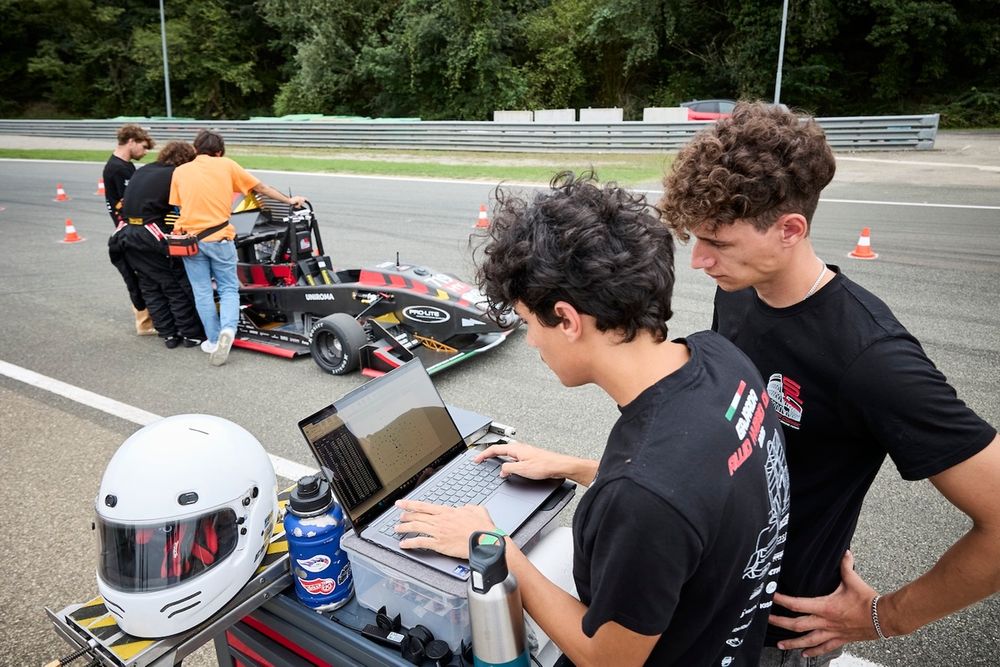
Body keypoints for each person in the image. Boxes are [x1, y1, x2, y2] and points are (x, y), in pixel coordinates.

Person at [394, 172, 790, 666]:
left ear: (567, 319)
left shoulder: (643, 495)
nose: (531, 341)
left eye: (528, 322)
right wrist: (577, 468)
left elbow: (607, 660)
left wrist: (495, 548)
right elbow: (704, 488)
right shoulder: (722, 358)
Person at [658, 101, 1000, 666]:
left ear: (790, 230)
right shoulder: (739, 290)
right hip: (701, 587)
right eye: (696, 239)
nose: (698, 261)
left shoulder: (873, 359)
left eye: (717, 242)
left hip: (776, 633)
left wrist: (887, 617)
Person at [168, 129, 306, 366]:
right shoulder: (227, 165)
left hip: (190, 241)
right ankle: (228, 330)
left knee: (201, 290)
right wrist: (288, 200)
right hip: (220, 237)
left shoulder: (180, 171)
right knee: (228, 288)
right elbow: (261, 188)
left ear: (196, 149)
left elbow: (177, 207)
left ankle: (213, 340)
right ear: (219, 151)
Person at [118, 141, 205, 349]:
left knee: (150, 286)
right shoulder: (176, 174)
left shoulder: (145, 170)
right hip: (150, 233)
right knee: (174, 284)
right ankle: (190, 334)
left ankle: (168, 334)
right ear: (186, 159)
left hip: (126, 233)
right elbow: (186, 206)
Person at [104, 123, 156, 336]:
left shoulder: (124, 166)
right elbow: (128, 202)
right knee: (139, 275)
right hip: (129, 230)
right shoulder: (118, 169)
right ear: (131, 142)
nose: (145, 152)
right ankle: (144, 323)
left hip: (130, 228)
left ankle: (150, 319)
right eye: (143, 147)